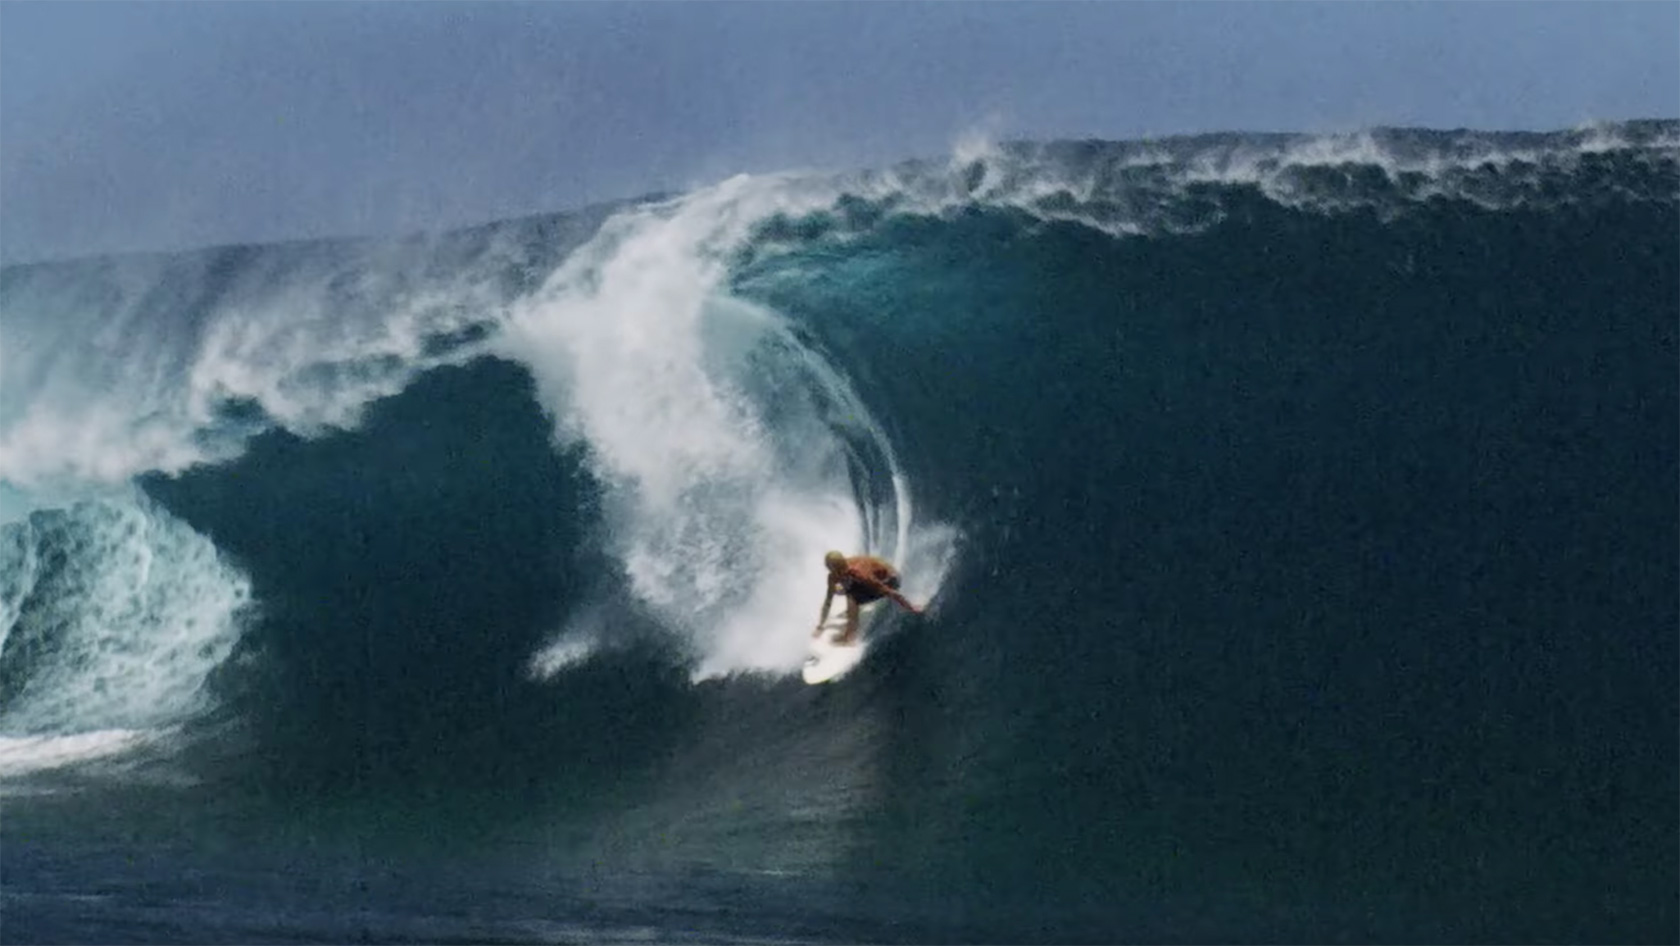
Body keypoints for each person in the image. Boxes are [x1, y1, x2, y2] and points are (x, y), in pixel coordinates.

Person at [815, 550, 921, 645]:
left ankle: (849, 637)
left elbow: (891, 592)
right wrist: (820, 625)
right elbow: (828, 601)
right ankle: (850, 628)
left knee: (851, 595)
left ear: (840, 568)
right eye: (830, 569)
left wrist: (911, 607)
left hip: (891, 579)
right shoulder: (833, 576)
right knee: (843, 589)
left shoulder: (860, 574)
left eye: (833, 569)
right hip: (870, 574)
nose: (831, 573)